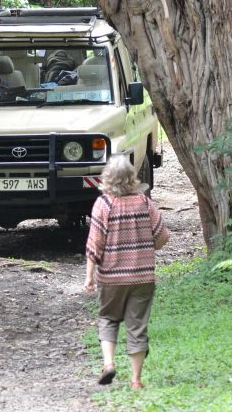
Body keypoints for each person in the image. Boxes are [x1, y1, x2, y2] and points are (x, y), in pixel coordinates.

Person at [84, 154, 170, 389]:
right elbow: (162, 237)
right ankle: (136, 380)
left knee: (108, 318)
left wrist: (89, 277)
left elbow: (95, 245)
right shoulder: (144, 202)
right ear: (132, 177)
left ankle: (109, 364)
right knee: (137, 325)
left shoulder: (104, 205)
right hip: (142, 277)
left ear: (107, 178)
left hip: (111, 278)